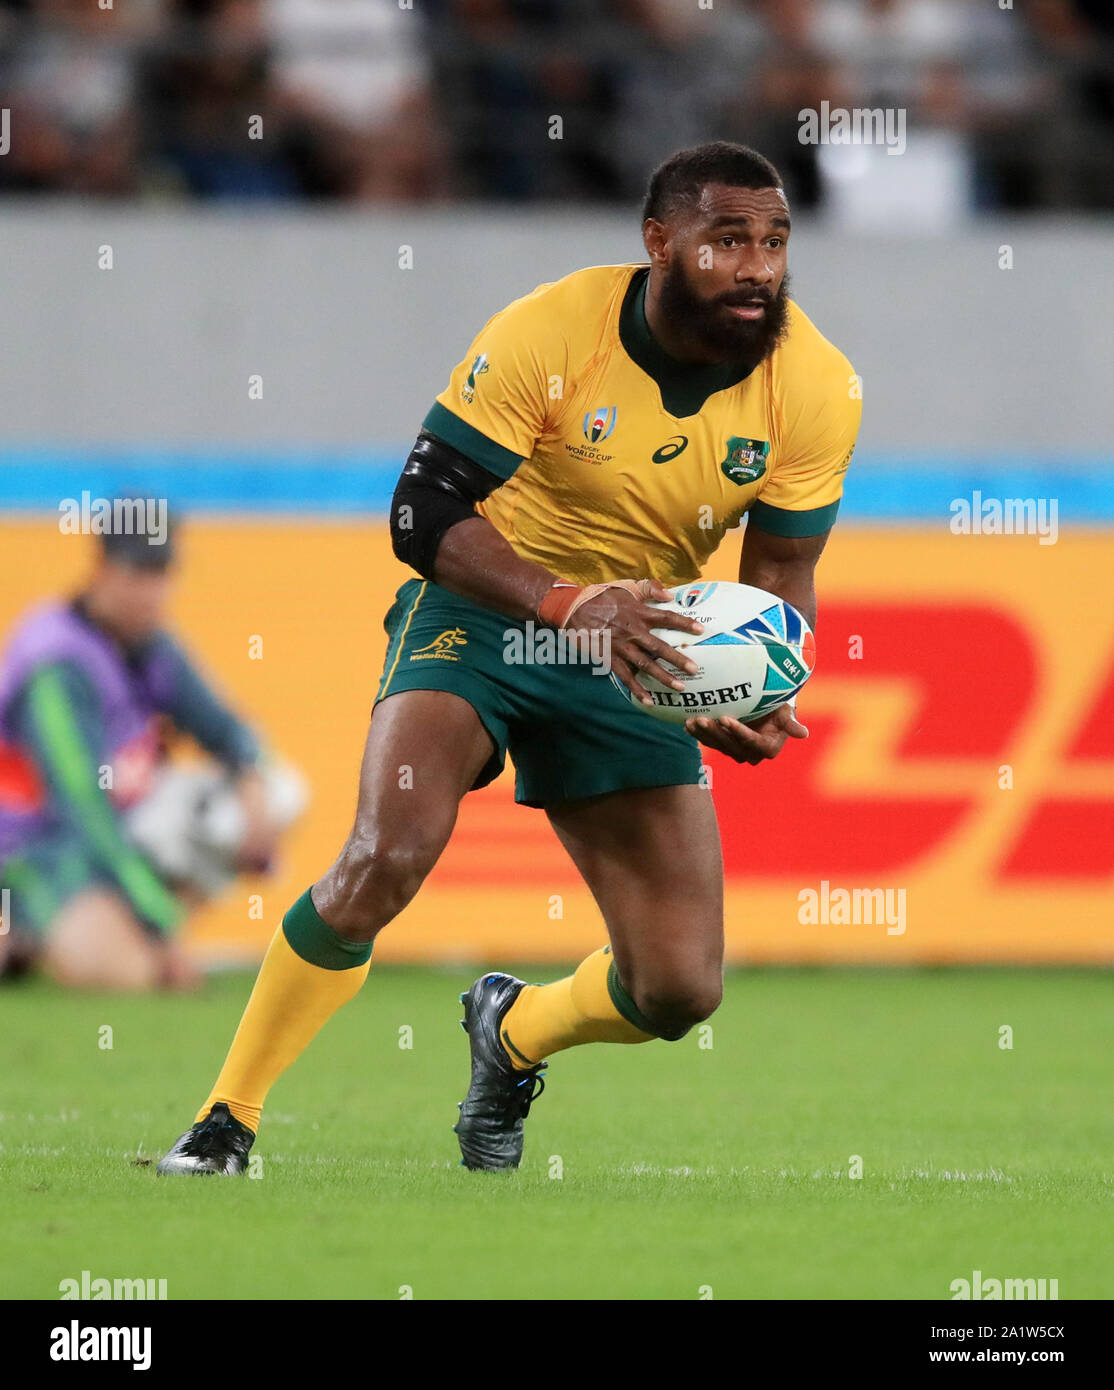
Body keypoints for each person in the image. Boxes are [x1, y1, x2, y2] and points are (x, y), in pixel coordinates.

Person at [158, 141, 860, 1176]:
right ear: (658, 244)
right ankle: (228, 1118)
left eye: (774, 240)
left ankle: (513, 1034)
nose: (757, 266)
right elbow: (420, 509)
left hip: (643, 643)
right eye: (727, 240)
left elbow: (782, 578)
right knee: (383, 854)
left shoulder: (814, 385)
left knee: (677, 989)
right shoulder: (551, 330)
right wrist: (566, 602)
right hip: (491, 607)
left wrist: (753, 686)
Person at [0, 505, 304, 990]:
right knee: (125, 976)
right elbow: (83, 811)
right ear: (101, 571)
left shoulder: (153, 646)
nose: (154, 592)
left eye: (163, 574)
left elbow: (225, 728)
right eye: (139, 574)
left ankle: (80, 935)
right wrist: (159, 923)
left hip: (115, 840)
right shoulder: (54, 663)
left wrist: (248, 776)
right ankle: (25, 934)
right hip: (34, 849)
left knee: (279, 789)